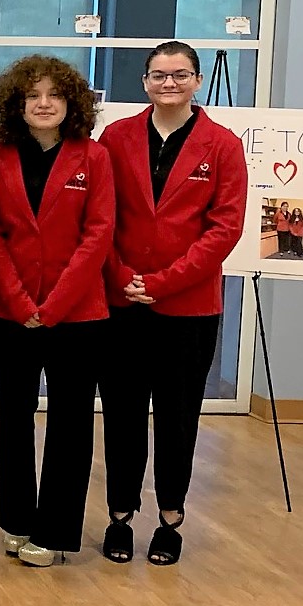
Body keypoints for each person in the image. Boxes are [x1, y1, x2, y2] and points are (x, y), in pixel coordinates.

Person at [98, 40, 246, 567]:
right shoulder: (115, 137)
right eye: (159, 76)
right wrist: (122, 275)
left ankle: (170, 520)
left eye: (179, 75)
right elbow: (101, 217)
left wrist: (163, 281)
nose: (169, 84)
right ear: (144, 82)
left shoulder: (222, 145)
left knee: (178, 417)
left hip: (189, 307)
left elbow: (224, 229)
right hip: (121, 302)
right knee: (122, 413)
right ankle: (120, 515)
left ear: (197, 80)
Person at [0, 56, 114, 567]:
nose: (42, 103)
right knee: (14, 419)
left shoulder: (93, 158)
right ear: (18, 103)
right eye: (32, 95)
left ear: (70, 103)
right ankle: (16, 519)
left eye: (53, 95)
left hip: (77, 314)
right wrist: (18, 300)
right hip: (12, 311)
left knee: (70, 424)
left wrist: (54, 305)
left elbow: (98, 233)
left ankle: (55, 531)